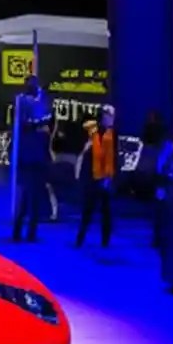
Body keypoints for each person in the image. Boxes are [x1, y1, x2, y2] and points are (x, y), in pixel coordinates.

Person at [12, 76, 52, 242]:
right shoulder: (23, 102)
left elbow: (47, 121)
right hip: (27, 157)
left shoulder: (42, 102)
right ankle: (19, 231)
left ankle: (30, 233)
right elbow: (25, 123)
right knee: (25, 196)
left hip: (38, 157)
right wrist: (38, 122)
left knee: (34, 197)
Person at [75, 106, 116, 249]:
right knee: (88, 210)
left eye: (110, 116)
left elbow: (113, 158)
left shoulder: (112, 135)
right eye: (106, 115)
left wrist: (110, 177)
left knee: (105, 212)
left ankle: (105, 241)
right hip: (94, 178)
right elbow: (88, 156)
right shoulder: (95, 134)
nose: (108, 118)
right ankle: (80, 238)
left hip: (104, 178)